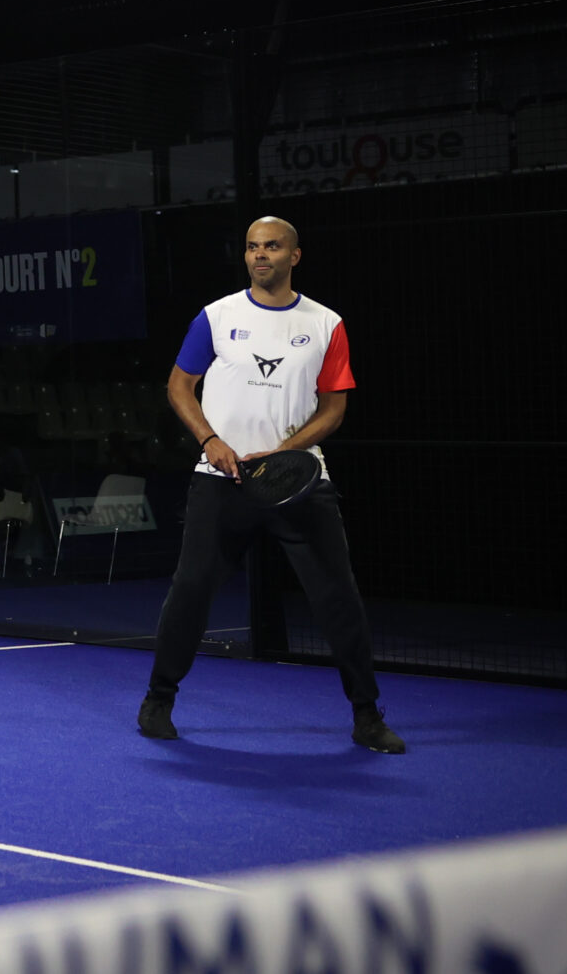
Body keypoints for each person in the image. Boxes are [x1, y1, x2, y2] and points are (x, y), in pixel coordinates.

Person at [138, 216, 404, 754]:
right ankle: (158, 700)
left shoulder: (327, 324)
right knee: (190, 592)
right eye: (253, 248)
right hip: (222, 481)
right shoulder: (215, 317)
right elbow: (178, 386)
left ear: (294, 256)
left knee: (339, 599)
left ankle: (366, 716)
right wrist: (210, 439)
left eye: (272, 247)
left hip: (300, 484)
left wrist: (285, 452)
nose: (261, 255)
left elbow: (335, 408)